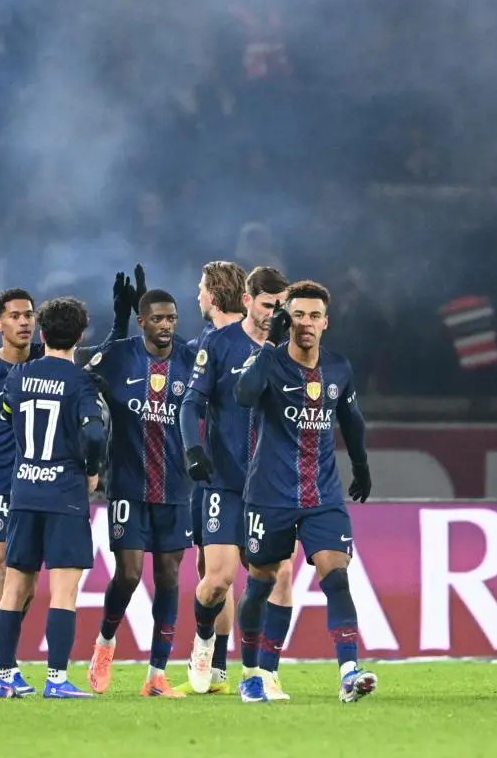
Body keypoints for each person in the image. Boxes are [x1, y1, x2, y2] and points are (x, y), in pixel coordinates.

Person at [0, 276, 133, 694]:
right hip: (0, 480)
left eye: (30, 315)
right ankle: (8, 667)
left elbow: (95, 356)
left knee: (25, 582)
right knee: (5, 567)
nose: (24, 322)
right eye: (15, 316)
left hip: (25, 481)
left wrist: (119, 322)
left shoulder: (33, 366)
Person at [234, 280, 376, 703]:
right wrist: (267, 345)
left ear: (326, 322)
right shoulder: (268, 361)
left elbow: (352, 421)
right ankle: (253, 673)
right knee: (260, 583)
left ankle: (349, 673)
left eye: (315, 316)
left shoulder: (338, 368)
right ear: (287, 319)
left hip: (322, 495)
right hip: (269, 494)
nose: (306, 323)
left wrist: (361, 466)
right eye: (298, 315)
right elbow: (244, 395)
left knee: (336, 574)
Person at [180, 265, 297, 700]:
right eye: (268, 305)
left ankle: (265, 673)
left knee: (280, 577)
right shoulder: (219, 343)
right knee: (218, 580)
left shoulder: (293, 351)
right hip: (225, 481)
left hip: (271, 486)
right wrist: (194, 450)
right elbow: (190, 403)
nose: (274, 314)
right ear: (247, 301)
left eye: (282, 307)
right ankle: (204, 643)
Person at [0, 297, 106, 699]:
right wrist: (92, 469)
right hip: (64, 494)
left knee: (14, 587)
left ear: (42, 333)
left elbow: (6, 416)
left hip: (24, 491)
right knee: (64, 591)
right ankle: (56, 679)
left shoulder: (18, 375)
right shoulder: (80, 381)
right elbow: (94, 433)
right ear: (80, 336)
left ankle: (5, 675)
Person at [85, 289, 196, 698]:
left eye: (172, 318)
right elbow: (80, 368)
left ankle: (156, 676)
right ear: (142, 321)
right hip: (128, 486)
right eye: (158, 318)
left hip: (175, 488)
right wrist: (115, 327)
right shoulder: (120, 355)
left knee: (169, 576)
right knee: (129, 574)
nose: (166, 325)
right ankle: (105, 644)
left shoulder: (190, 359)